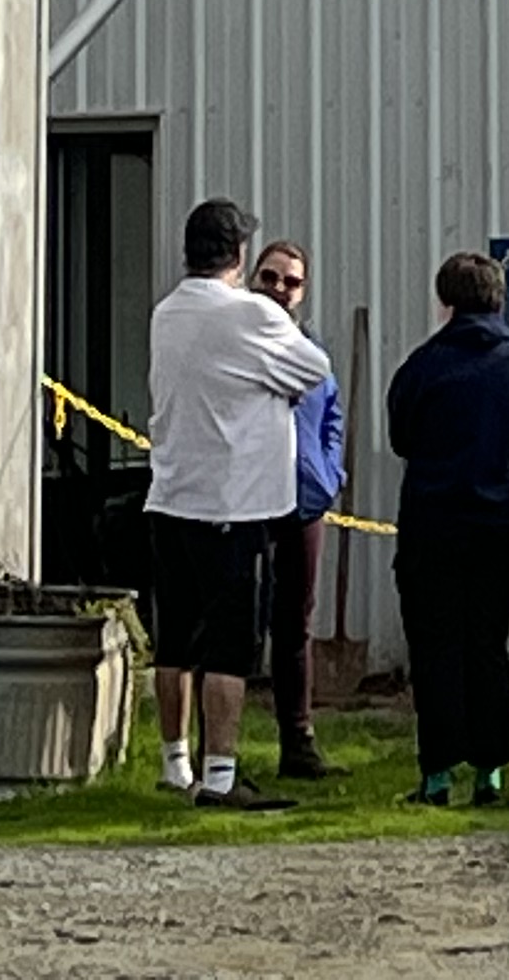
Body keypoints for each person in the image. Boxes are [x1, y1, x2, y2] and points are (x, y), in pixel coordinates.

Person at [145, 195, 333, 808]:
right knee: (230, 643)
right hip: (232, 504)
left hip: (170, 495)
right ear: (240, 256)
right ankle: (221, 774)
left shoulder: (167, 312)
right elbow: (312, 369)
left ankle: (175, 762)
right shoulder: (250, 316)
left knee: (174, 640)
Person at [385, 248, 509, 807]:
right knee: (488, 647)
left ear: (445, 300)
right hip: (493, 521)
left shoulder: (422, 365)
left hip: (431, 522)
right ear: (498, 298)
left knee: (435, 647)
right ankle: (491, 769)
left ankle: (437, 774)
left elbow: (401, 437)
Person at [250, 237, 345, 781]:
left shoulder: (312, 348)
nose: (281, 289)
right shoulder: (238, 342)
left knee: (295, 624)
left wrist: (331, 471)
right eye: (271, 277)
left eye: (292, 281)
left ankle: (298, 742)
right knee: (239, 623)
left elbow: (331, 413)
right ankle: (221, 751)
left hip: (305, 499)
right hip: (245, 499)